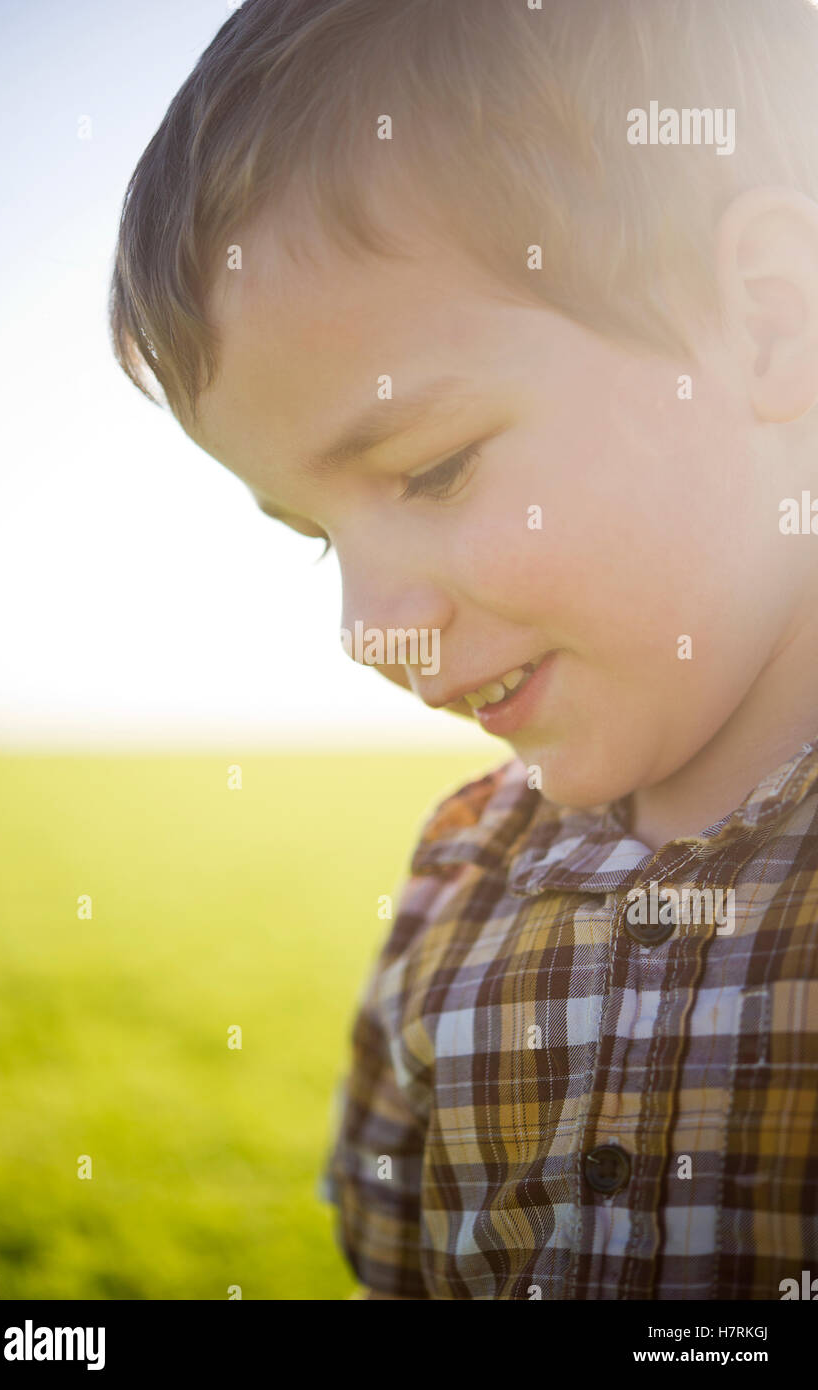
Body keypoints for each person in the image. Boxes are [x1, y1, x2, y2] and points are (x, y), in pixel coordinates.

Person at [109, 0, 818, 1299]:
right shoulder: (455, 890)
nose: (366, 628)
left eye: (431, 471)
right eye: (318, 538)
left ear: (771, 323)